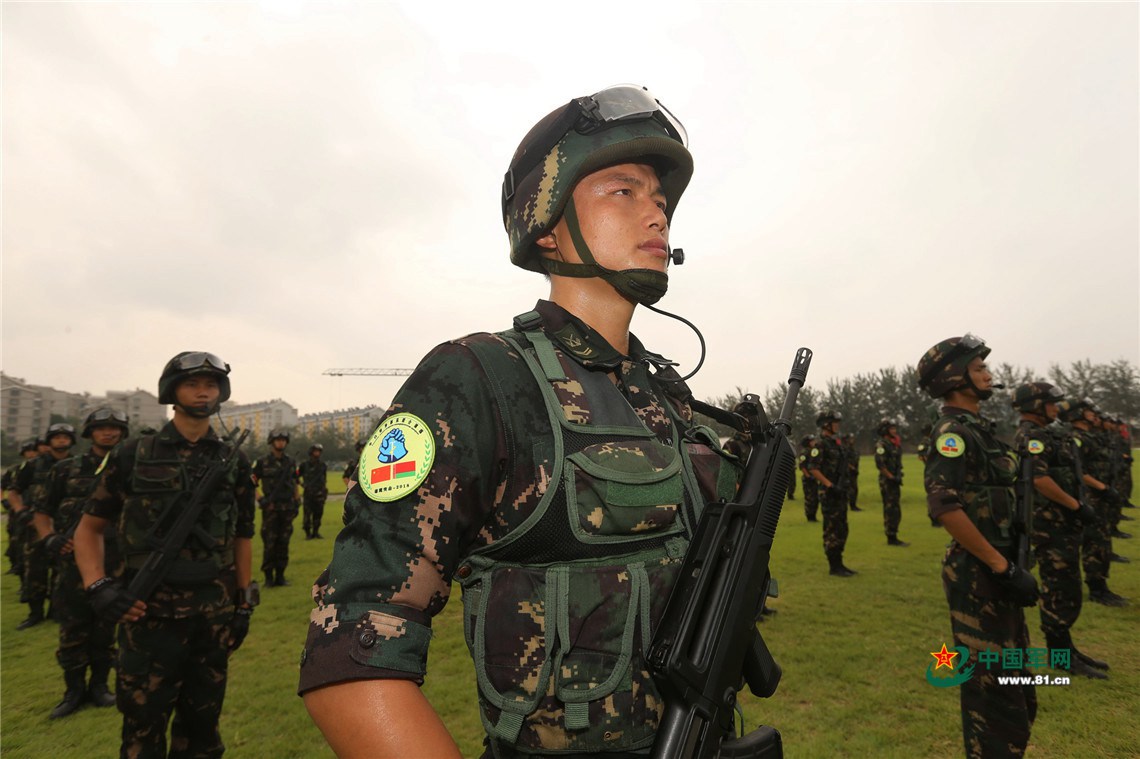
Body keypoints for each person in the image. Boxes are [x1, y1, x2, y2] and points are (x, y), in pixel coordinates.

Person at [300, 84, 745, 758]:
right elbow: (353, 648)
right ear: (546, 224)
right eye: (622, 190)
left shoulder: (667, 396)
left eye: (659, 195)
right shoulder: (481, 380)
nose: (656, 209)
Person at [73, 351, 257, 759]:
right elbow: (89, 529)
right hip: (147, 615)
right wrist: (98, 586)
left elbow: (243, 535)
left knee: (203, 731)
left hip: (212, 617)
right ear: (172, 391)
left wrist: (244, 601)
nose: (202, 391)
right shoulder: (133, 454)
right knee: (142, 730)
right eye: (192, 383)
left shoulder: (234, 461)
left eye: (210, 384)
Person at [918, 335, 1037, 759]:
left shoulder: (977, 429)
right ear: (955, 377)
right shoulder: (952, 433)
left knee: (1017, 687)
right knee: (995, 695)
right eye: (979, 368)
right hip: (980, 577)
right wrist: (1003, 568)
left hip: (996, 574)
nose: (989, 374)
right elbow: (945, 506)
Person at [36, 407, 130, 717]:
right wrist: (49, 538)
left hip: (116, 562)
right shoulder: (65, 470)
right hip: (72, 564)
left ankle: (101, 687)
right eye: (102, 427)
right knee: (73, 629)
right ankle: (73, 691)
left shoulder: (132, 467)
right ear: (89, 432)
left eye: (115, 427)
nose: (109, 432)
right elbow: (42, 511)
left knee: (106, 628)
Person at [1010, 383, 1107, 680]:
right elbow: (1039, 480)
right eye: (1051, 403)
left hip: (1061, 523)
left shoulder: (1046, 433)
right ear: (1036, 405)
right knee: (1060, 589)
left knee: (1066, 587)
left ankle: (1065, 649)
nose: (1056, 408)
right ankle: (1059, 655)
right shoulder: (1031, 436)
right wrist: (1076, 506)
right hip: (1048, 525)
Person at [1059, 399, 1128, 605]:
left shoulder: (1089, 437)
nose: (1094, 415)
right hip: (1091, 496)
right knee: (1094, 542)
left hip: (1100, 495)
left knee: (1102, 539)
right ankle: (1097, 589)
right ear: (1077, 414)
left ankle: (1101, 585)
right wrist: (1102, 488)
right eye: (1088, 412)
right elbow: (1080, 472)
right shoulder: (1076, 438)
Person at [9, 422, 77, 629]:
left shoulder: (78, 465)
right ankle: (35, 613)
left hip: (66, 527)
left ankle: (56, 611)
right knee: (35, 570)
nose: (61, 440)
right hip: (35, 526)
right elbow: (13, 491)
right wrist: (20, 511)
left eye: (66, 437)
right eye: (57, 437)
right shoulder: (33, 465)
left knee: (62, 571)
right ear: (49, 441)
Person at [808, 410, 855, 576]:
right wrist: (829, 485)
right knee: (832, 528)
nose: (837, 425)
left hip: (840, 492)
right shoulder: (820, 444)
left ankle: (840, 562)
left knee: (842, 528)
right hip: (830, 493)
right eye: (834, 422)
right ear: (825, 425)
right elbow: (813, 468)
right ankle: (834, 566)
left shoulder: (837, 444)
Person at [251, 429, 300, 586]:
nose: (281, 442)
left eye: (283, 440)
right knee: (270, 542)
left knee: (283, 542)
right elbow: (252, 482)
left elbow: (295, 482)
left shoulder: (290, 462)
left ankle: (280, 576)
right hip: (271, 508)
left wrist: (297, 499)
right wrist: (261, 499)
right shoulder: (262, 462)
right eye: (278, 440)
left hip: (287, 508)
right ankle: (268, 578)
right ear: (272, 442)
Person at [3, 439, 38, 578]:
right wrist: (4, 500)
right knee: (15, 538)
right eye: (28, 451)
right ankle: (16, 565)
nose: (31, 454)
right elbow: (4, 486)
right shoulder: (15, 470)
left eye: (33, 450)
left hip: (34, 508)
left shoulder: (42, 467)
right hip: (18, 510)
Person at [874, 419, 908, 546]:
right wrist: (891, 477)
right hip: (887, 481)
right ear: (885, 431)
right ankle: (891, 537)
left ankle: (894, 534)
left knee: (895, 508)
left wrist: (898, 475)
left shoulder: (894, 444)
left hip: (895, 479)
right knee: (890, 508)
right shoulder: (881, 445)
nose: (894, 431)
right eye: (891, 429)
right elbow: (880, 465)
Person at [298, 443, 329, 539]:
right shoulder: (304, 465)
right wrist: (302, 485)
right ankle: (308, 533)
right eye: (316, 451)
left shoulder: (323, 465)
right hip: (308, 493)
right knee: (307, 514)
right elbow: (296, 476)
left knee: (318, 514)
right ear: (311, 452)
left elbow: (324, 479)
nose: (317, 453)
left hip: (320, 493)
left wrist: (324, 490)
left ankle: (316, 532)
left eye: (319, 451)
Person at [800, 434, 819, 522]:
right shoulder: (805, 452)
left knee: (815, 497)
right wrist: (808, 476)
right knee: (809, 498)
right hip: (808, 480)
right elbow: (802, 466)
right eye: (812, 441)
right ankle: (810, 516)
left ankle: (813, 515)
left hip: (814, 478)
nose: (814, 442)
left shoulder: (813, 451)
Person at [844, 432, 862, 511]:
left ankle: (853, 505)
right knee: (850, 489)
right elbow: (844, 461)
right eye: (850, 439)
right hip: (847, 472)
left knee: (854, 489)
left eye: (853, 438)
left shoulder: (853, 449)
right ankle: (851, 505)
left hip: (854, 473)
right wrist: (851, 467)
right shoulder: (845, 449)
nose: (852, 440)